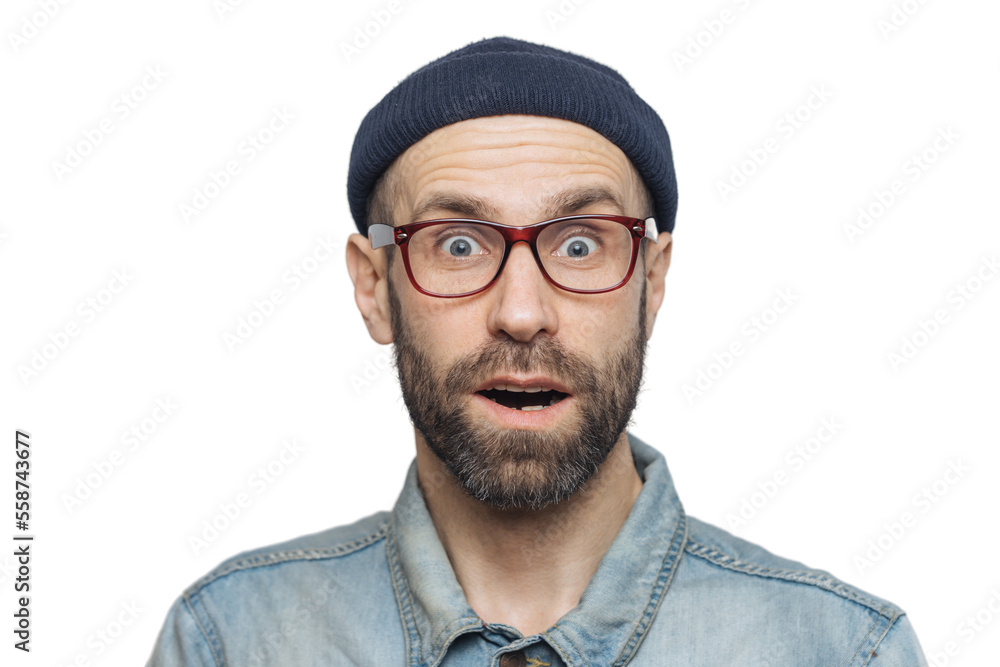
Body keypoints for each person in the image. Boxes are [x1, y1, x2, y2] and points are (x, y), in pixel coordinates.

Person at [147, 36, 928, 666]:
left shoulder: (843, 651)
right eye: (458, 244)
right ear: (374, 288)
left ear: (651, 285)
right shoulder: (229, 641)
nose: (522, 313)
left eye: (582, 244)